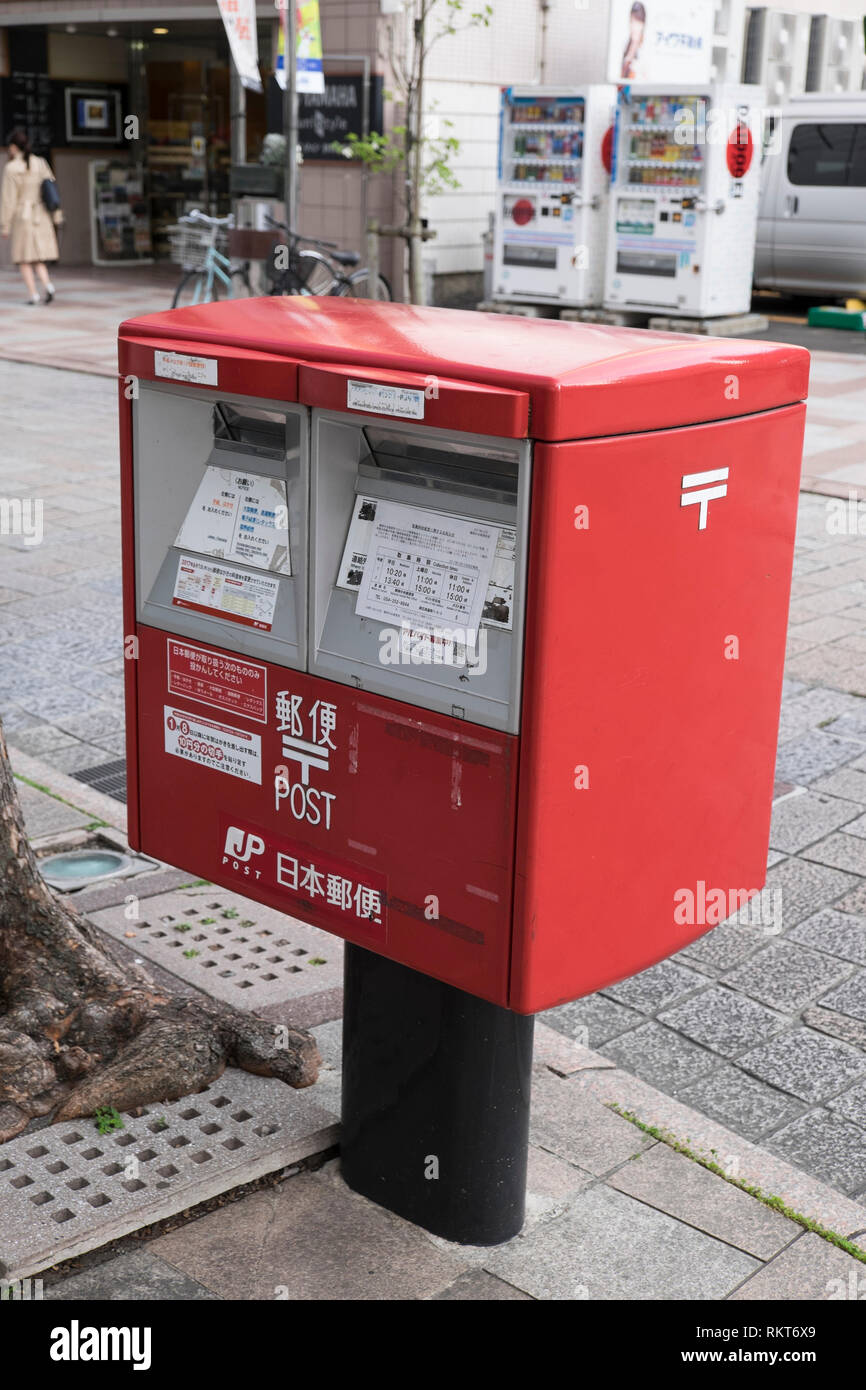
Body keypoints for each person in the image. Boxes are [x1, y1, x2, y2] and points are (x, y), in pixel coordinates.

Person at [1, 127, 61, 304]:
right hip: (41, 215)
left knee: (24, 259)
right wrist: (57, 216)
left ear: (13, 147)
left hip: (23, 216)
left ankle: (33, 294)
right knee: (37, 258)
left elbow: (8, 199)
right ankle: (48, 286)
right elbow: (52, 190)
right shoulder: (41, 163)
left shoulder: (11, 168)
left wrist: (5, 225)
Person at [621, 1, 646, 81]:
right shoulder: (625, 46)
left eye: (638, 21)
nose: (634, 26)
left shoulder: (645, 50)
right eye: (632, 20)